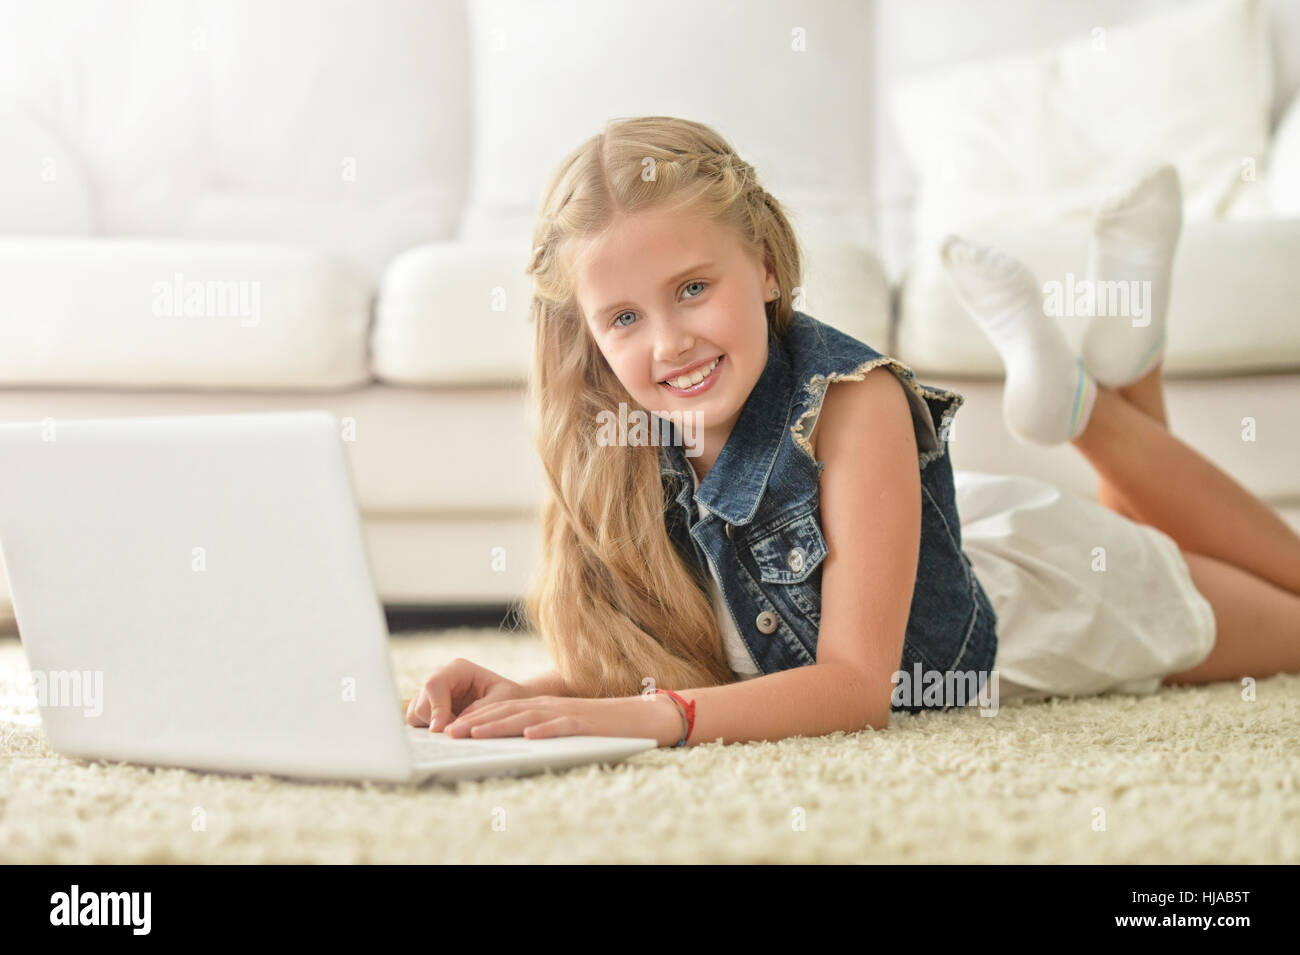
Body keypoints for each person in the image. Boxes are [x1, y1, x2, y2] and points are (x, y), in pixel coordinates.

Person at [405, 117, 1300, 748]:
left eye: (690, 289)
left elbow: (855, 687)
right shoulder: (630, 442)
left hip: (1048, 604)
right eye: (625, 318)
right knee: (1146, 537)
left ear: (762, 262)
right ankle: (1127, 338)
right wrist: (531, 694)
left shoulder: (854, 401)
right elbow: (713, 645)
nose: (669, 342)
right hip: (922, 546)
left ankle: (1085, 409)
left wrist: (652, 718)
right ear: (591, 337)